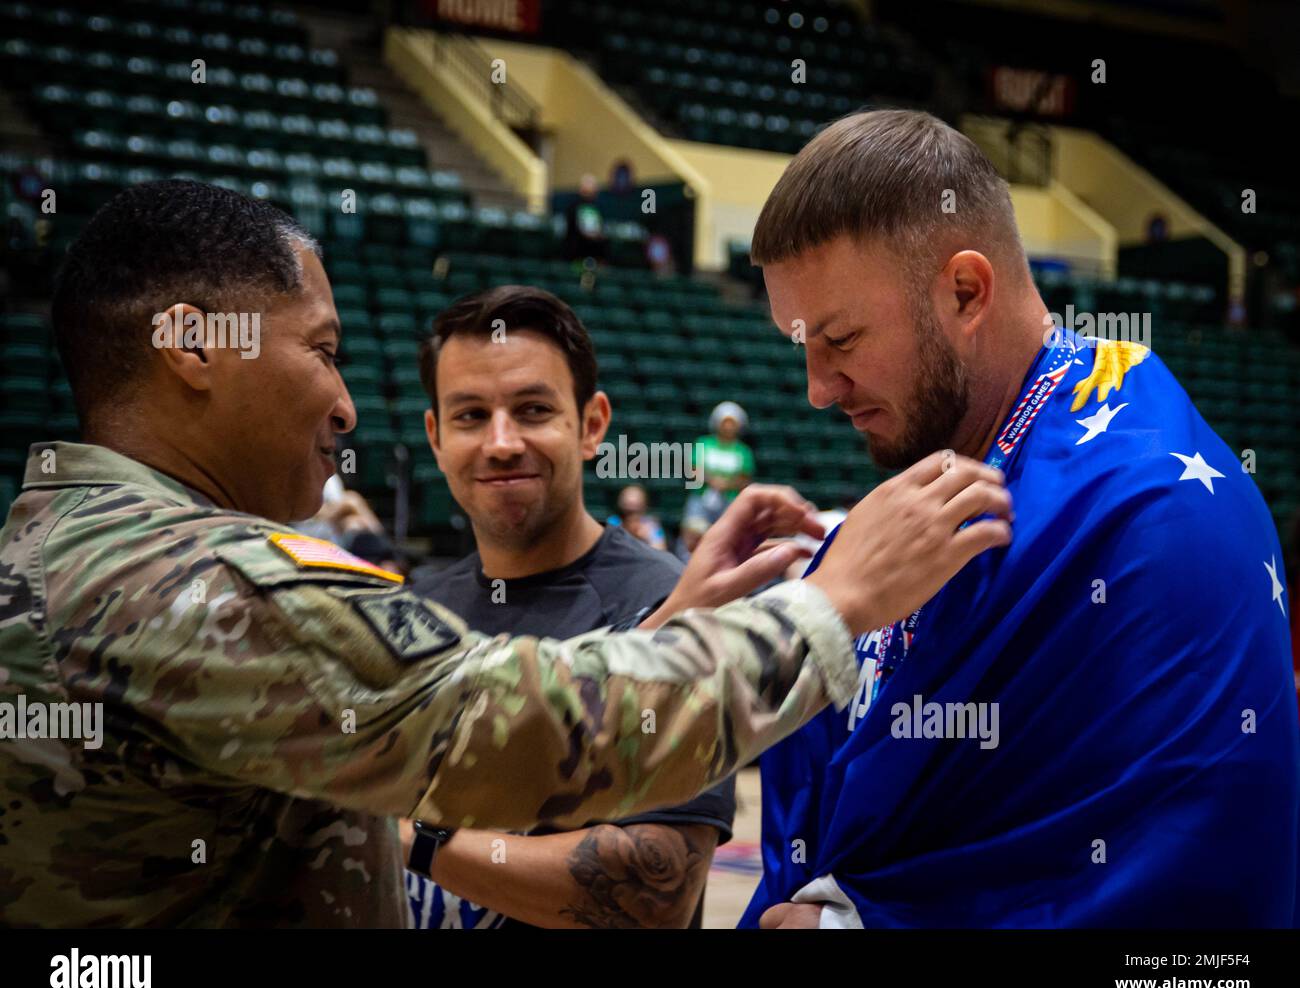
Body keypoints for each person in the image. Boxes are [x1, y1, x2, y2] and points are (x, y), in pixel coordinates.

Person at [0, 179, 1013, 927]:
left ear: (592, 424)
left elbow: (549, 790)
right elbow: (496, 722)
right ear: (193, 343)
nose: (344, 401)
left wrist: (672, 630)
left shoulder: (55, 545)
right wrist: (827, 604)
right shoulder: (205, 583)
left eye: (533, 409)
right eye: (319, 348)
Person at [740, 109, 1299, 929]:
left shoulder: (1158, 517)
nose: (818, 389)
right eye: (802, 347)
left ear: (966, 292)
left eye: (842, 339)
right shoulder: (942, 468)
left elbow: (1198, 899)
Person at [404, 287, 733, 928]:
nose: (502, 443)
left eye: (532, 410)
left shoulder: (667, 605)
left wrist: (413, 839)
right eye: (470, 415)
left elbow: (653, 892)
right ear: (435, 436)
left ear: (591, 426)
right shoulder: (416, 612)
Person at [694, 401, 755, 500]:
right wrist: (712, 481)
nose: (728, 427)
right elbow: (694, 469)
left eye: (732, 423)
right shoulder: (703, 443)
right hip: (701, 498)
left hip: (730, 501)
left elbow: (745, 479)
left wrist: (726, 485)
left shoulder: (744, 451)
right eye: (725, 423)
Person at [562, 173, 608, 264]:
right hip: (578, 255)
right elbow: (587, 232)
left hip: (591, 255)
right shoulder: (576, 208)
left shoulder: (597, 208)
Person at [609, 483, 667, 551]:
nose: (632, 517)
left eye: (635, 511)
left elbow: (661, 552)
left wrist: (645, 539)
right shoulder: (612, 522)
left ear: (644, 505)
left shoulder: (651, 525)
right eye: (629, 512)